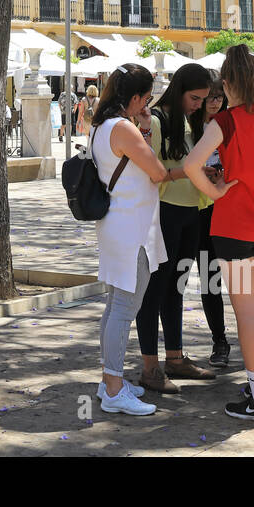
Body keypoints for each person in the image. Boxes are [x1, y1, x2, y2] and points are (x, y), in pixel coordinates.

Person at [183, 45, 254, 425]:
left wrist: (216, 192)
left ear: (228, 83)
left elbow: (190, 163)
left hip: (235, 228)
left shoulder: (226, 122)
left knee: (247, 314)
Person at [91, 64, 172, 416]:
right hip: (131, 229)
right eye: (147, 97)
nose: (147, 104)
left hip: (117, 226)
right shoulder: (122, 128)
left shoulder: (101, 125)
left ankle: (110, 381)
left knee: (115, 307)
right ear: (137, 98)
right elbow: (157, 172)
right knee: (124, 309)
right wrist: (143, 126)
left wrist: (142, 127)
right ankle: (112, 388)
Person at [135, 63, 218, 394]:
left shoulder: (190, 122)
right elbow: (152, 171)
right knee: (154, 292)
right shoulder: (154, 121)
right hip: (164, 214)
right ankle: (149, 367)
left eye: (204, 99)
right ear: (180, 90)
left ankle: (175, 357)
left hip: (191, 212)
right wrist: (189, 171)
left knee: (177, 288)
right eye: (195, 98)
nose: (199, 105)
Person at [200, 76, 231, 368]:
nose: (215, 101)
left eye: (220, 95)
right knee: (210, 280)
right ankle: (219, 340)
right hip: (201, 211)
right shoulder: (193, 127)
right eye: (210, 96)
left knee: (245, 280)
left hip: (230, 209)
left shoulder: (231, 125)